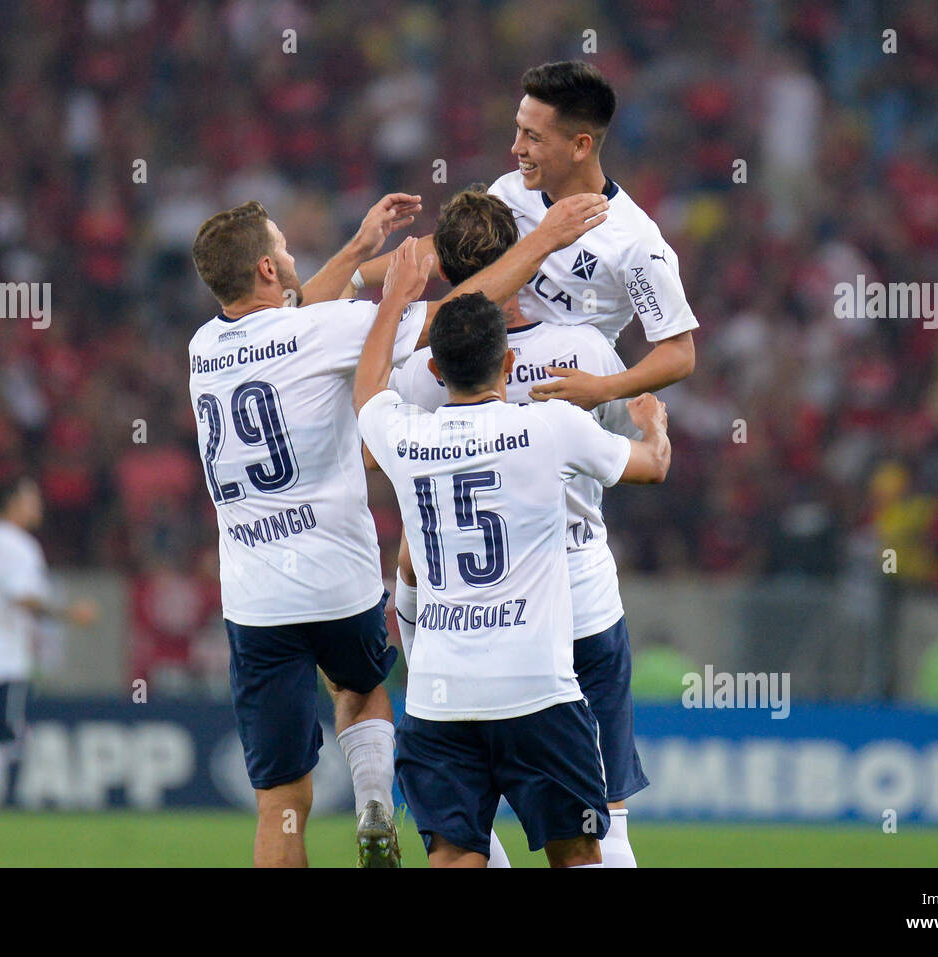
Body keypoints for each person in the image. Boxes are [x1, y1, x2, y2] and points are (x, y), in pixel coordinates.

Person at [187, 190, 607, 867]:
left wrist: (357, 252)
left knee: (281, 806)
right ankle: (375, 796)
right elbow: (451, 319)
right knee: (359, 686)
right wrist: (543, 239)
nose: (294, 254)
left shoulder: (204, 344)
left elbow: (298, 316)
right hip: (337, 581)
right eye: (284, 246)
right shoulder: (322, 330)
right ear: (267, 269)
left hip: (253, 598)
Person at [354, 238, 671, 867]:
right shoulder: (550, 427)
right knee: (580, 854)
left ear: (437, 373)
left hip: (440, 695)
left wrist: (394, 301)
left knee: (452, 855)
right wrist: (653, 422)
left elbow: (368, 391)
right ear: (507, 364)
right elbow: (651, 467)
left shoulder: (405, 435)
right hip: (539, 694)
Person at [353, 60, 698, 408]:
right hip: (490, 374)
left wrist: (606, 388)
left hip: (560, 388)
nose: (516, 148)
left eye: (533, 137)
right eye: (519, 130)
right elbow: (451, 249)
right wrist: (354, 277)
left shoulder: (635, 239)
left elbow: (679, 353)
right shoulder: (511, 190)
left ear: (580, 146)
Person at [0, 474, 96, 851]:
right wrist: (67, 613)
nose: (37, 505)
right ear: (12, 502)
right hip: (2, 658)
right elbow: (22, 597)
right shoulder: (17, 545)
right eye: (31, 498)